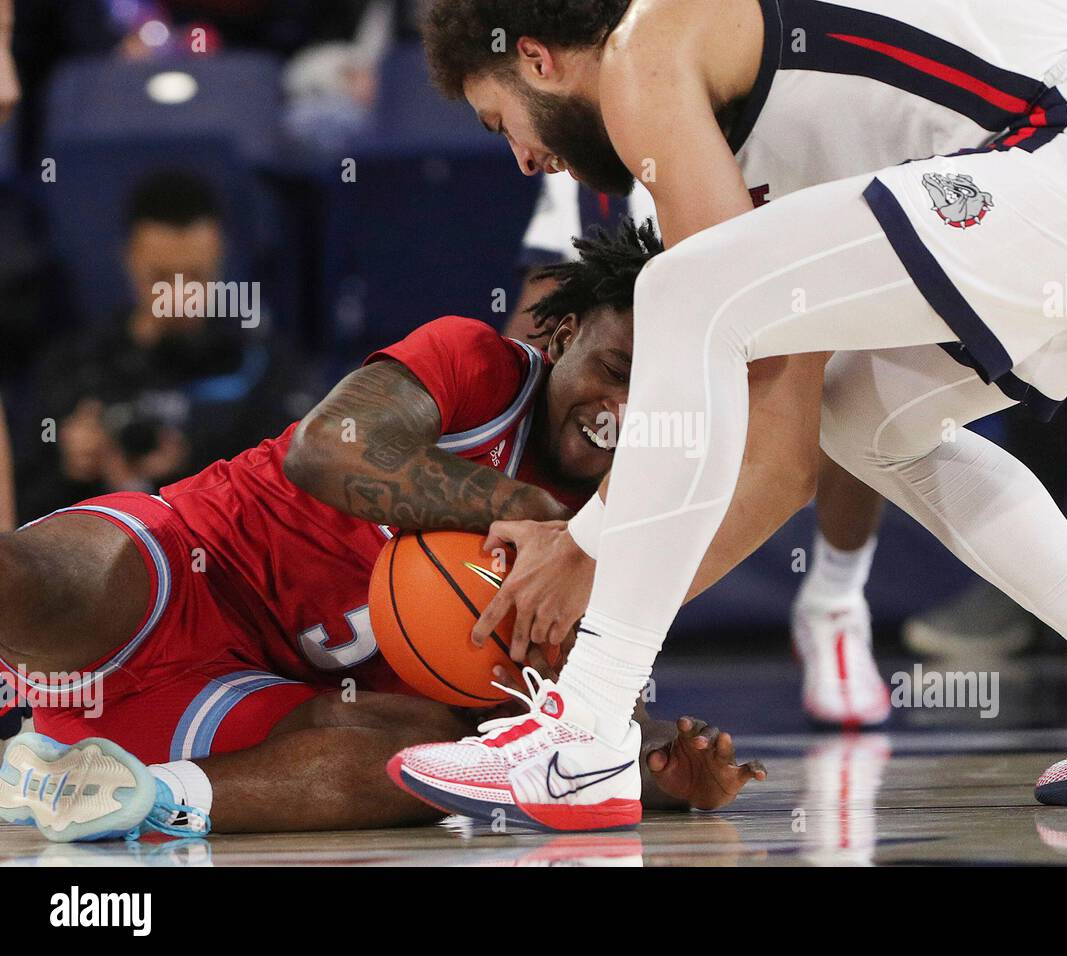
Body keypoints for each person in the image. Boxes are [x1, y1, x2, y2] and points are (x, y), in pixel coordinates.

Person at [395, 0, 1067, 831]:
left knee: (681, 289)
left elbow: (711, 336)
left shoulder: (645, 48)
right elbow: (780, 460)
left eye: (497, 121)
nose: (520, 159)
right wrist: (589, 560)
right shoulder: (741, 123)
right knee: (865, 423)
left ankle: (582, 736)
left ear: (538, 59)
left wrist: (586, 555)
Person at [0, 222, 764, 843]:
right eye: (616, 368)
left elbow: (564, 720)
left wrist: (663, 767)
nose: (622, 410)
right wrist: (525, 510)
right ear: (561, 335)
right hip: (182, 567)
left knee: (433, 759)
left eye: (654, 392)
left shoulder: (627, 522)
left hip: (259, 709)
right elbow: (326, 448)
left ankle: (133, 798)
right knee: (50, 581)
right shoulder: (476, 365)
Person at [510, 173, 888, 727]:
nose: (523, 156)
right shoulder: (597, 150)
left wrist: (594, 607)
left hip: (898, 228)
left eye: (501, 120)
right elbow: (543, 307)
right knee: (564, 387)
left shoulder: (780, 162)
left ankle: (836, 596)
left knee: (854, 399)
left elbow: (781, 470)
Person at [17, 169, 317, 524]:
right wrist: (69, 468)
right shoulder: (75, 367)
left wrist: (190, 469)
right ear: (128, 259)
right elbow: (18, 526)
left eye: (195, 276)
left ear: (220, 255)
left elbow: (294, 507)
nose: (177, 297)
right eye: (160, 277)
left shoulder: (262, 367)